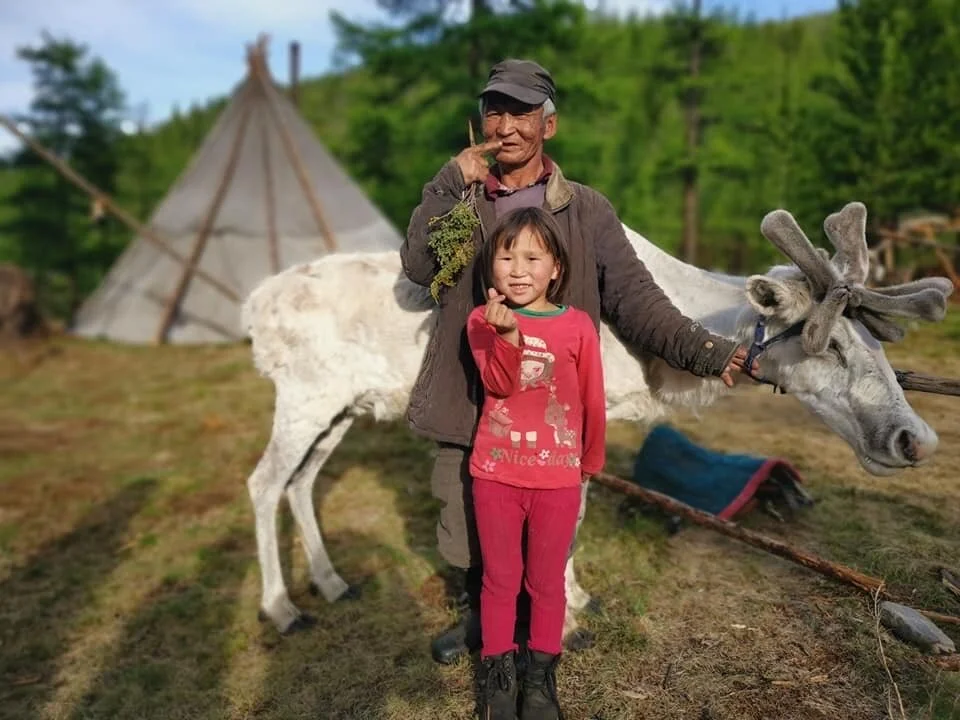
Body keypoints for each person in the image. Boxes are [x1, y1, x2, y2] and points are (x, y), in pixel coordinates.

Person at [401, 58, 757, 666]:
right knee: (463, 524)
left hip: (549, 411)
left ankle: (539, 619)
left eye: (521, 112)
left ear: (550, 124)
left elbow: (636, 301)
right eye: (495, 109)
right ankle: (478, 616)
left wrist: (707, 351)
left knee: (544, 530)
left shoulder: (587, 212)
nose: (505, 125)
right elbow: (419, 267)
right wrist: (445, 182)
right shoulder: (464, 199)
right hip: (471, 397)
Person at [467, 206, 604, 720]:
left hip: (557, 479)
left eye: (531, 257)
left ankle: (540, 679)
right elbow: (499, 385)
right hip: (497, 475)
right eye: (506, 256)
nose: (518, 269)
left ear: (556, 269)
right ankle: (499, 677)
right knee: (500, 581)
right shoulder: (483, 320)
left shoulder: (578, 327)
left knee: (546, 583)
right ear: (491, 267)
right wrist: (506, 337)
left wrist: (589, 460)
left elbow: (593, 395)